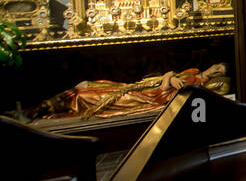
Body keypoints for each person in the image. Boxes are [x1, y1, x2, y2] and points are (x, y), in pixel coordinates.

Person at [31, 63, 231, 120]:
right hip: (145, 87)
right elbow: (168, 75)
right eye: (217, 67)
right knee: (86, 84)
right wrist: (170, 77)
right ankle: (42, 107)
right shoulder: (194, 71)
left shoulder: (200, 85)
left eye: (219, 72)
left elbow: (166, 93)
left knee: (87, 95)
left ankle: (43, 110)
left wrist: (168, 80)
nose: (215, 71)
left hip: (147, 98)